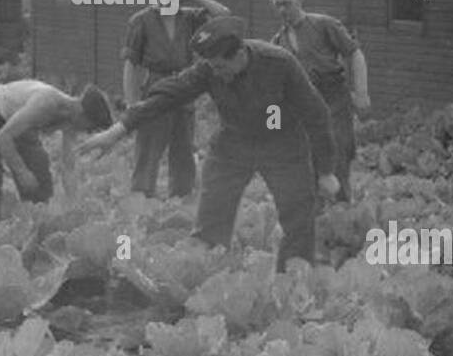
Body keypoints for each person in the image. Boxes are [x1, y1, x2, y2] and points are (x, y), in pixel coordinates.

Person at [79, 16, 339, 272]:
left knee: (298, 218)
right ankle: (205, 277)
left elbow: (316, 114)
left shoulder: (280, 64)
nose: (215, 72)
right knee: (211, 217)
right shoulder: (209, 68)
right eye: (211, 67)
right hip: (233, 144)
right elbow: (168, 94)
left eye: (220, 66)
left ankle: (292, 284)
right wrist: (118, 130)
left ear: (238, 54)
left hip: (283, 146)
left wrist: (325, 170)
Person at [120, 0, 229, 199]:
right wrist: (132, 104)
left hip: (184, 87)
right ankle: (141, 200)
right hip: (155, 88)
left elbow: (223, 14)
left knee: (184, 151)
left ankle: (181, 199)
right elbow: (131, 65)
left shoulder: (190, 17)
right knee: (148, 150)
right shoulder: (141, 20)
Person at [263, 0, 370, 204]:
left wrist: (361, 93)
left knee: (338, 152)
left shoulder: (323, 24)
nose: (282, 10)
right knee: (307, 159)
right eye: (277, 5)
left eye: (287, 3)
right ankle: (316, 216)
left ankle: (344, 212)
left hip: (334, 98)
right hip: (304, 105)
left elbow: (355, 53)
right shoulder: (278, 41)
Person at [0, 79, 115, 220]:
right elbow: (3, 138)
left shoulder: (71, 120)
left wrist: (73, 206)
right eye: (89, 128)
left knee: (39, 174)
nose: (86, 132)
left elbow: (68, 167)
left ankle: (33, 224)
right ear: (82, 114)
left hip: (12, 121)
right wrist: (21, 172)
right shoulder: (46, 103)